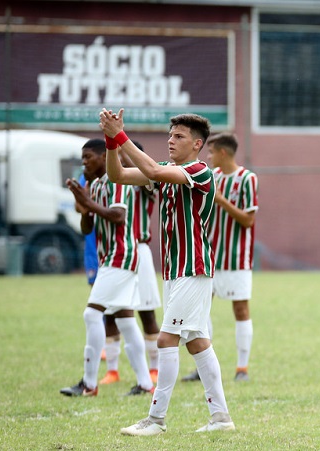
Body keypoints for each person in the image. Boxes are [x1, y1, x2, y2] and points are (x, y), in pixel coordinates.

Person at [102, 109, 235, 436]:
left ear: (197, 144)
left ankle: (156, 420)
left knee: (167, 338)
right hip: (177, 272)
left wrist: (121, 135)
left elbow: (147, 167)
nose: (170, 141)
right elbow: (118, 176)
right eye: (170, 135)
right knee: (198, 342)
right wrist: (110, 141)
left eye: (178, 137)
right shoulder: (165, 169)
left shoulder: (201, 170)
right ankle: (221, 418)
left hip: (194, 268)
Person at [60, 139, 154, 397]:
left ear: (104, 156)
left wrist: (89, 204)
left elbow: (118, 215)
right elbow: (87, 228)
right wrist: (82, 205)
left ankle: (89, 384)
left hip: (121, 255)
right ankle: (145, 383)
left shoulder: (117, 180)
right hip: (110, 257)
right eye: (82, 158)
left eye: (88, 156)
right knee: (125, 320)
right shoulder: (96, 185)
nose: (84, 162)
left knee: (92, 315)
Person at [183, 132, 258, 383]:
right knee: (202, 310)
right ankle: (203, 367)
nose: (208, 156)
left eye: (211, 152)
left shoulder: (247, 179)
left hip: (237, 258)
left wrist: (222, 201)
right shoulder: (211, 177)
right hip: (210, 256)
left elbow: (248, 220)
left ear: (223, 153)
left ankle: (242, 368)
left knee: (240, 309)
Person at [100, 141, 162, 387]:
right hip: (116, 252)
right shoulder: (108, 184)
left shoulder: (144, 182)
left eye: (126, 155)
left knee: (147, 312)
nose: (121, 160)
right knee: (111, 312)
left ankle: (154, 368)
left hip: (140, 249)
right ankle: (112, 371)